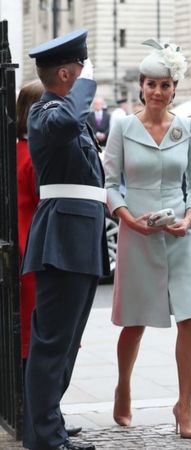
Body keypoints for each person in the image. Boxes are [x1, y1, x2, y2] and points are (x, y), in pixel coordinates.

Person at [103, 40, 191, 440]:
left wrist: (190, 217)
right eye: (151, 85)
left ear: (174, 89)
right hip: (136, 233)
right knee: (134, 321)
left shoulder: (188, 127)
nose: (158, 92)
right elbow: (110, 183)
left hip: (181, 234)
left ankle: (185, 406)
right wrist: (128, 218)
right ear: (141, 88)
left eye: (165, 85)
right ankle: (123, 386)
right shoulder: (123, 128)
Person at [23, 29, 107, 450]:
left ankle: (48, 423)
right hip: (62, 236)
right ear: (65, 73)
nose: (85, 74)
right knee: (53, 340)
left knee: (68, 341)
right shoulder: (45, 112)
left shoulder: (63, 111)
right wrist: (85, 85)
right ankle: (43, 435)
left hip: (82, 235)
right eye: (79, 68)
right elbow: (68, 120)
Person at [15, 80, 44, 370]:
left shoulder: (15, 149)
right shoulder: (36, 155)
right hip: (34, 250)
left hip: (19, 247)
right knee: (37, 334)